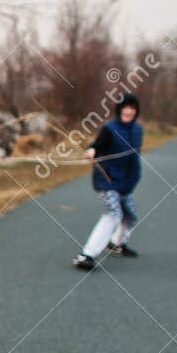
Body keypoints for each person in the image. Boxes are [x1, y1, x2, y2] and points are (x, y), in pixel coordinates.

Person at [73, 94, 144, 271]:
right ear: (119, 110)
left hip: (126, 182)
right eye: (125, 107)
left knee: (131, 215)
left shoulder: (138, 130)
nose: (129, 111)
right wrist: (91, 151)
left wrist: (133, 179)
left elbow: (135, 158)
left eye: (132, 108)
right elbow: (97, 145)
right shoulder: (110, 129)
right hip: (107, 179)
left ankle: (116, 244)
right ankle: (86, 255)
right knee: (113, 214)